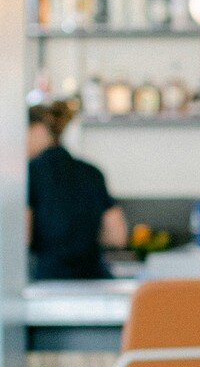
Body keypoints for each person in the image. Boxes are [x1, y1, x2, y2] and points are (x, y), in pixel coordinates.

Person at [27, 100, 127, 281]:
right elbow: (117, 236)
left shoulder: (29, 174)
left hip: (48, 280)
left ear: (38, 130)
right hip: (93, 280)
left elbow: (22, 235)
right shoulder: (91, 172)